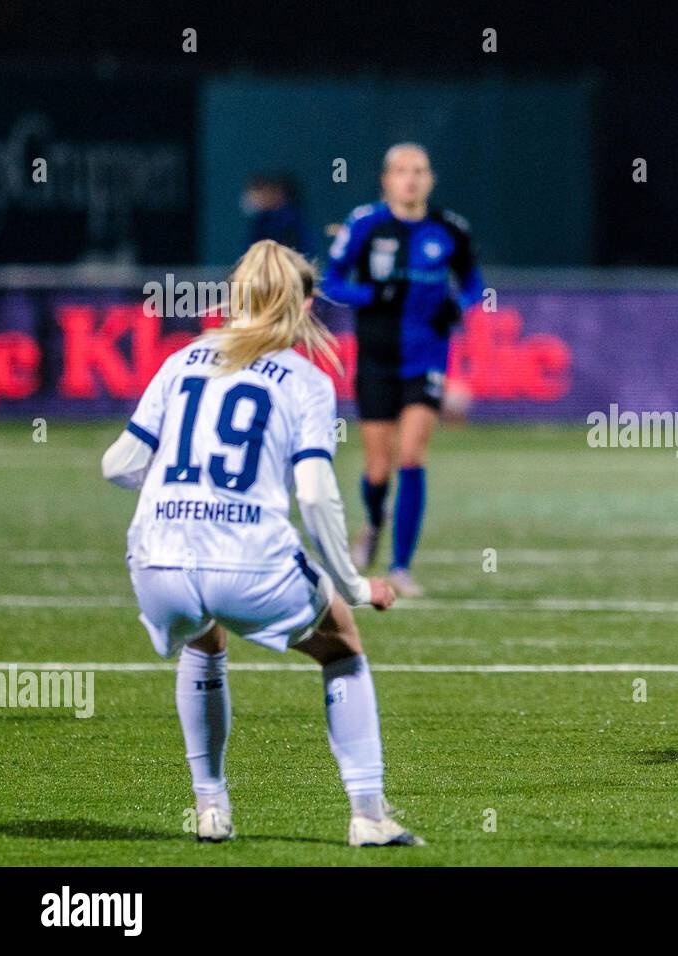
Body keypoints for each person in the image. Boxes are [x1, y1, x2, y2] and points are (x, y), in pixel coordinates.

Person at [101, 239, 422, 846]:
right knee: (341, 646)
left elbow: (116, 464)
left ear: (235, 294)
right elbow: (317, 494)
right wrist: (353, 584)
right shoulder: (305, 379)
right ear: (304, 302)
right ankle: (370, 816)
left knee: (204, 636)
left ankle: (211, 808)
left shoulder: (182, 360)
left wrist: (178, 487)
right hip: (246, 560)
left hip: (157, 557)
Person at [322, 143, 484, 597]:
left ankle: (400, 566)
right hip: (376, 358)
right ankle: (374, 522)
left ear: (430, 179)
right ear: (386, 180)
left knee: (411, 456)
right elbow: (330, 282)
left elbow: (474, 284)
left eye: (419, 171)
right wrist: (373, 296)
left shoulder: (450, 229)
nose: (410, 179)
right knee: (377, 469)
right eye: (401, 171)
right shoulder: (365, 225)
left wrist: (459, 305)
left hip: (427, 359)